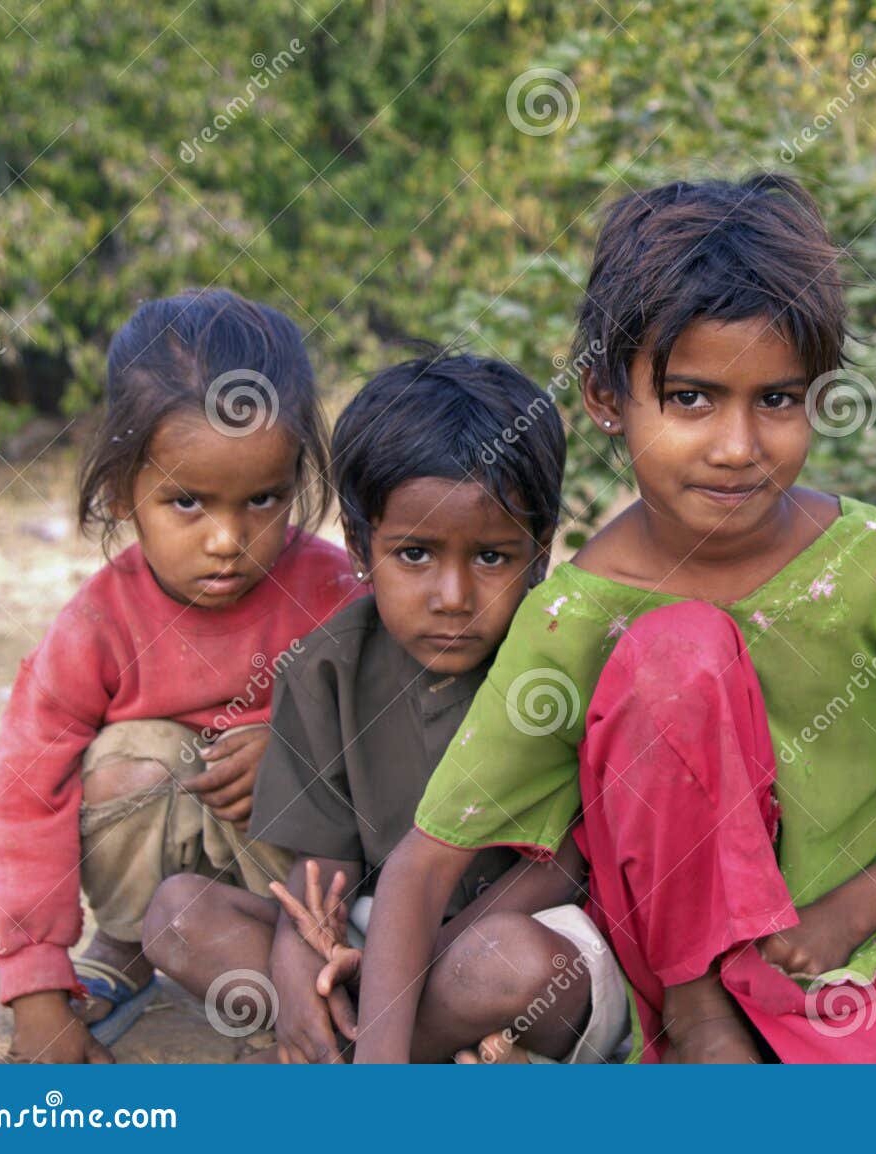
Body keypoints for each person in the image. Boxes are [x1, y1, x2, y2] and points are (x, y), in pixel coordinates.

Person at [350, 174, 876, 1064]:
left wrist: (861, 905)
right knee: (675, 651)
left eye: (777, 400)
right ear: (607, 397)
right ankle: (701, 1020)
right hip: (657, 986)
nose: (736, 446)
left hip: (866, 960)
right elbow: (424, 864)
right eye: (690, 399)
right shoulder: (576, 613)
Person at [143, 348, 631, 1064]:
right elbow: (318, 872)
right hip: (378, 945)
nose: (454, 596)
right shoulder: (326, 669)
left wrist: (398, 980)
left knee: (508, 961)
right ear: (360, 546)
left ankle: (362, 1060)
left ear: (540, 550)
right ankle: (387, 1047)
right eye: (416, 555)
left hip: (537, 941)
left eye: (492, 557)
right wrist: (298, 964)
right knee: (177, 916)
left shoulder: (563, 660)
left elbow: (562, 867)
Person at [0, 289, 359, 1063]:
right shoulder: (98, 624)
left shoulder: (336, 593)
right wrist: (35, 989)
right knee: (127, 757)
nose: (228, 539)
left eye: (264, 499)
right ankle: (128, 945)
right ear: (124, 490)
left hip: (311, 894)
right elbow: (26, 794)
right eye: (187, 502)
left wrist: (295, 748)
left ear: (296, 479)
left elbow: (407, 731)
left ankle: (331, 986)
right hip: (175, 897)